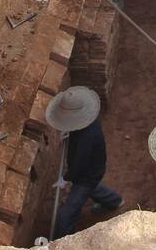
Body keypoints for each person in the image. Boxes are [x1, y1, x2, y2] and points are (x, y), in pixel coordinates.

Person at [48, 86, 122, 237]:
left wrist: (66, 178)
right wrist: (69, 132)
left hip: (87, 174)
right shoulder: (89, 121)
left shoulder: (86, 139)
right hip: (93, 169)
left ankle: (64, 239)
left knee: (66, 215)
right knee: (93, 188)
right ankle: (115, 201)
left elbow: (78, 166)